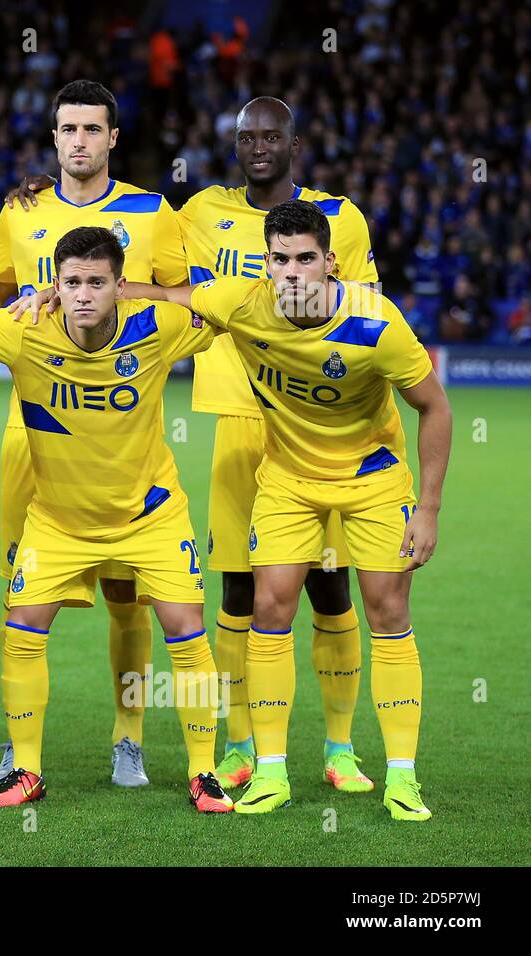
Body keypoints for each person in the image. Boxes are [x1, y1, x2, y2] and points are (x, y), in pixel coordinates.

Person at [126, 199, 451, 821]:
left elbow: (435, 407)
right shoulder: (242, 303)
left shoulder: (376, 322)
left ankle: (402, 778)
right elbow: (166, 295)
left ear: (330, 262)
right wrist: (69, 292)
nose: (293, 272)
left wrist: (428, 509)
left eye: (306, 259)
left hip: (373, 479)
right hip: (289, 480)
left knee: (387, 610)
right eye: (280, 260)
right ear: (265, 264)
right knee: (270, 607)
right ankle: (270, 772)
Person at [0, 227, 232, 812]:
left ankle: (203, 772)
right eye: (72, 282)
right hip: (58, 521)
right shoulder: (25, 328)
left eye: (98, 283)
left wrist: (151, 293)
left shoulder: (157, 328)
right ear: (54, 284)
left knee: (186, 629)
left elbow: (222, 303)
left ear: (119, 286)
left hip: (150, 515)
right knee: (21, 627)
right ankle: (26, 769)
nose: (83, 295)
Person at [0, 79, 188, 788]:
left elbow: (189, 295)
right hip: (28, 434)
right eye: (69, 129)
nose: (80, 141)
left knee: (130, 597)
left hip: (121, 434)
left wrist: (116, 291)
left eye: (94, 129)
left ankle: (129, 738)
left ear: (113, 138)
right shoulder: (21, 210)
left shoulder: (153, 213)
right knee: (21, 599)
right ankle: (18, 746)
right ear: (54, 136)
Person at [176, 97, 382, 792]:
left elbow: (364, 309)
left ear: (293, 141)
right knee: (238, 590)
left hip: (322, 427)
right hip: (239, 422)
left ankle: (340, 748)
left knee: (330, 586)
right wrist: (40, 187)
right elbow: (122, 229)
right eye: (246, 137)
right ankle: (240, 745)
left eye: (271, 136)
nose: (258, 146)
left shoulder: (339, 218)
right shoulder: (200, 211)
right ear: (233, 143)